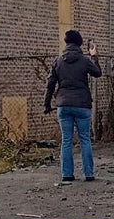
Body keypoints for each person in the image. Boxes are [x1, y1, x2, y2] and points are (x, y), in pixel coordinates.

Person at [44, 29, 102, 183]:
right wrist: (94, 56)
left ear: (66, 42)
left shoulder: (58, 60)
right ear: (80, 43)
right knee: (85, 139)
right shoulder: (84, 60)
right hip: (82, 104)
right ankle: (89, 174)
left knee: (66, 140)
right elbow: (97, 73)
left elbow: (50, 84)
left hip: (63, 104)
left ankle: (67, 174)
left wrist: (47, 103)